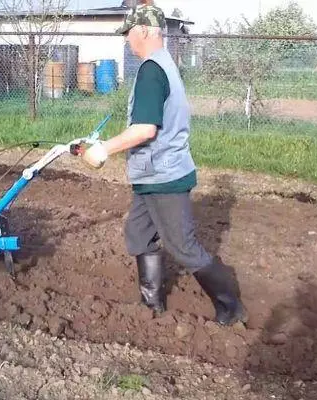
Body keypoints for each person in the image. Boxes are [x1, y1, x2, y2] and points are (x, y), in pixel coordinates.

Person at [81, 1, 248, 326]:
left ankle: (231, 307)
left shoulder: (151, 70)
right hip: (152, 174)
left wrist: (103, 150)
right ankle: (152, 305)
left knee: (184, 247)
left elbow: (145, 129)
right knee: (138, 232)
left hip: (163, 177)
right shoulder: (164, 63)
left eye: (129, 33)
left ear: (143, 31)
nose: (127, 40)